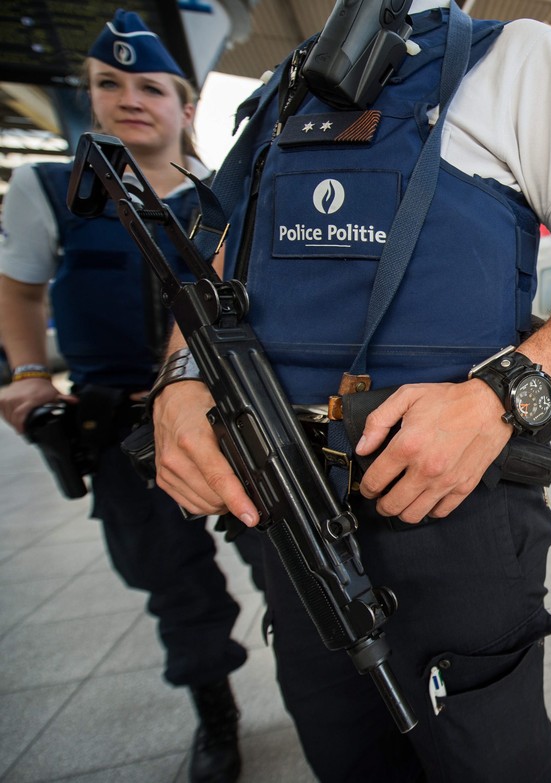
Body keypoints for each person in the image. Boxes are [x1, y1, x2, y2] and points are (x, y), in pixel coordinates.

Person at [148, 0, 551, 779]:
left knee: (487, 758)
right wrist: (178, 384)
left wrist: (499, 398)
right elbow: (209, 276)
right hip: (291, 507)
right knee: (341, 752)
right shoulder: (281, 90)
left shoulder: (515, 55)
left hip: (452, 506)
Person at [0, 11, 256, 783]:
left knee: (286, 559)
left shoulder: (229, 197)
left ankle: (326, 687)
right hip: (119, 424)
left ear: (186, 106)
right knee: (174, 581)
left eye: (150, 86)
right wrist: (27, 372)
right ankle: (216, 713)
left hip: (236, 416)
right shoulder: (53, 189)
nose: (130, 99)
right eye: (109, 84)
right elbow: (19, 289)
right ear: (90, 97)